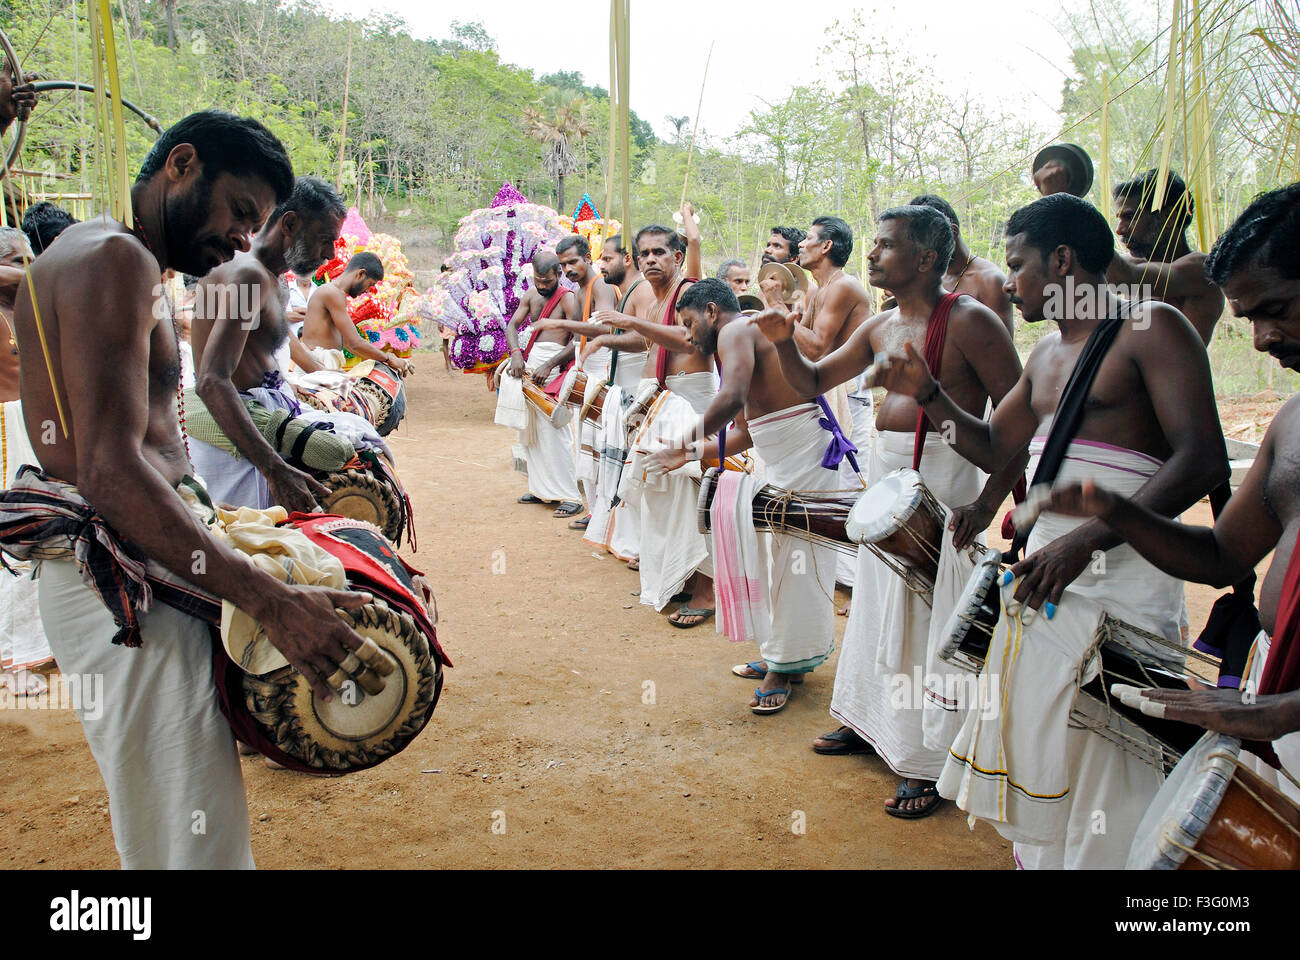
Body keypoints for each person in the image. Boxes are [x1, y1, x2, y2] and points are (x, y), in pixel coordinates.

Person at [1, 109, 373, 869]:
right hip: (125, 579)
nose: (241, 238)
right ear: (181, 164)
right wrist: (270, 600)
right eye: (238, 211)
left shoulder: (91, 249)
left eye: (255, 225)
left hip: (124, 568)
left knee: (176, 828)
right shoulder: (117, 260)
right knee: (191, 838)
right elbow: (108, 470)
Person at [873, 193, 1227, 865]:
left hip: (1123, 574)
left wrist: (1086, 540)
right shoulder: (1044, 354)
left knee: (1118, 751)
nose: (1009, 281)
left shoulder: (1152, 327)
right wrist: (930, 396)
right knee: (1053, 737)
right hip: (1049, 578)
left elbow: (1202, 458)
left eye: (1017, 264)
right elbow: (990, 448)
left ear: (1062, 260)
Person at [756, 204, 1026, 817]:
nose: (873, 253)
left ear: (926, 258)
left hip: (946, 479)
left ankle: (928, 760)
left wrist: (988, 503)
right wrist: (783, 342)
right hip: (888, 477)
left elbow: (1020, 422)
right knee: (878, 605)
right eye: (874, 244)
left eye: (886, 245)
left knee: (928, 623)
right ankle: (870, 722)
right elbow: (812, 380)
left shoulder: (972, 321)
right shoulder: (881, 326)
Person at [1043, 183, 1300, 793]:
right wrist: (1114, 512)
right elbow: (1220, 556)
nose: (1262, 339)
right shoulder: (1291, 422)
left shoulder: (1158, 314)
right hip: (1276, 696)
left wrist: (1285, 711)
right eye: (1250, 319)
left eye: (1277, 309)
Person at [652, 278, 843, 712]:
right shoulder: (740, 338)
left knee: (797, 566)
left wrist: (683, 441)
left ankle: (784, 666)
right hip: (788, 459)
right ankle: (786, 654)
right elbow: (745, 432)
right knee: (786, 564)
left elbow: (730, 399)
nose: (688, 336)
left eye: (689, 323)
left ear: (712, 312)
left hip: (804, 460)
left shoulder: (737, 329)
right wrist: (688, 454)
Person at [188, 175, 385, 512]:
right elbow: (211, 380)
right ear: (290, 223)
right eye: (324, 240)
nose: (329, 254)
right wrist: (273, 468)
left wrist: (323, 376)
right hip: (240, 440)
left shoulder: (268, 276)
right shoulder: (247, 276)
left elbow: (278, 344)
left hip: (261, 418)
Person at [583, 225, 716, 626]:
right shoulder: (655, 301)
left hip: (691, 404)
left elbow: (689, 338)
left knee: (690, 497)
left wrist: (630, 321)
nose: (651, 259)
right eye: (644, 253)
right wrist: (607, 337)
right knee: (663, 499)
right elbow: (650, 343)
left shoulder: (687, 291)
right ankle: (683, 577)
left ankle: (707, 591)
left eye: (660, 252)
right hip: (664, 405)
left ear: (677, 257)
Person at [529, 234, 618, 529]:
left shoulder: (600, 285)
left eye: (573, 262)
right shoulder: (580, 290)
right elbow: (581, 337)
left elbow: (606, 327)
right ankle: (596, 512)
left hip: (602, 373)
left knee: (600, 447)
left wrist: (560, 323)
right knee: (587, 446)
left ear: (588, 258)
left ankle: (604, 515)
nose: (568, 269)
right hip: (586, 373)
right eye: (564, 264)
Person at [0, 227, 53, 696]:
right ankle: (10, 658)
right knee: (11, 540)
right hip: (5, 431)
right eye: (20, 260)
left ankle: (32, 644)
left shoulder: (24, 308)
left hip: (29, 424)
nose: (30, 269)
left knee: (35, 530)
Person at [495, 249, 583, 517]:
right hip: (531, 367)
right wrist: (515, 353)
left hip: (553, 370)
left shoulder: (568, 299)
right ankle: (541, 489)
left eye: (548, 281)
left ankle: (570, 496)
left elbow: (579, 340)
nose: (543, 286)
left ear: (559, 274)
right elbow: (512, 326)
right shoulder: (531, 295)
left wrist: (550, 365)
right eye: (538, 280)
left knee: (555, 432)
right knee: (531, 432)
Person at [1106, 169, 1225, 345]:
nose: (1120, 229)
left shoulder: (1201, 271)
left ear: (1169, 217)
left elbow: (1121, 276)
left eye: (1129, 216)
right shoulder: (1132, 265)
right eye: (1119, 219)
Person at [910, 194, 1014, 335]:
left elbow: (1002, 345)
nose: (922, 250)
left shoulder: (990, 280)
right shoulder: (928, 279)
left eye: (926, 240)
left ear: (952, 233)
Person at [301, 251, 411, 374]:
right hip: (317, 366)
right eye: (370, 284)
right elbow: (355, 342)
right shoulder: (332, 293)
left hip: (322, 365)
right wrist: (388, 359)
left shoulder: (336, 293)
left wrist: (383, 360)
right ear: (360, 274)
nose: (368, 290)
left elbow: (348, 343)